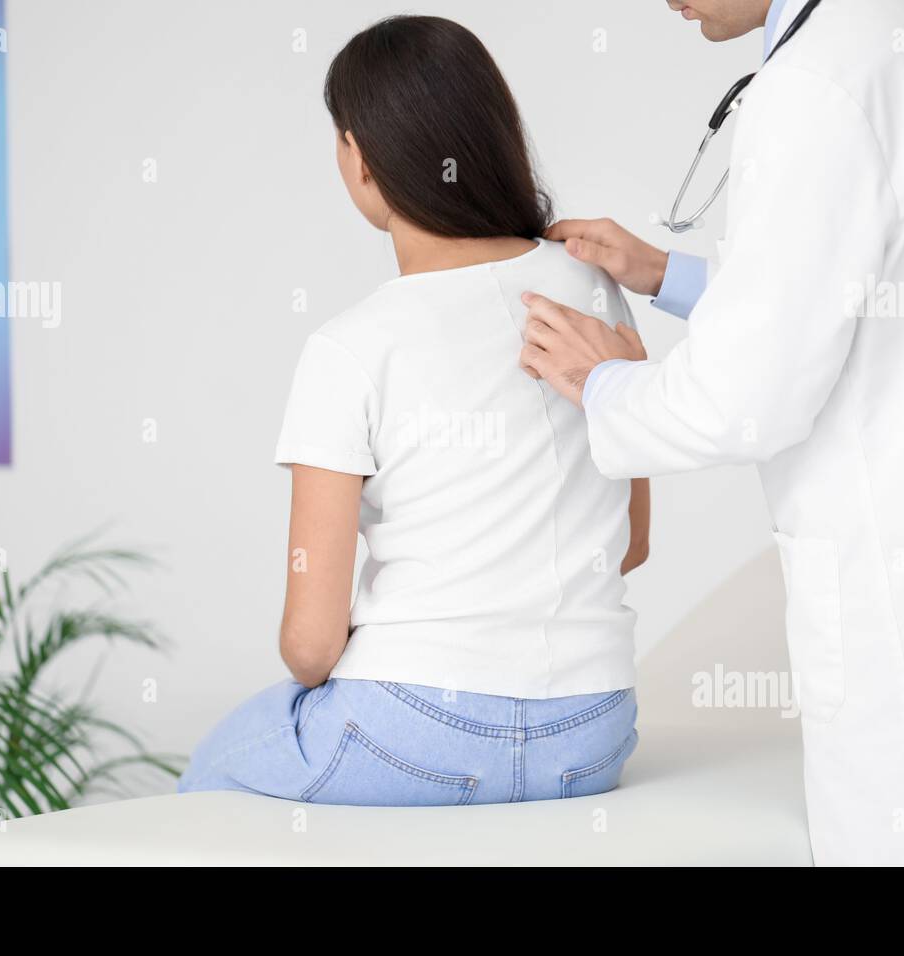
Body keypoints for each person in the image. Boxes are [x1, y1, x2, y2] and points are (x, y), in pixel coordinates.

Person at [519, 0, 904, 865]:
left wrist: (599, 383)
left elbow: (745, 398)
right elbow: (876, 300)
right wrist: (665, 275)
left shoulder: (815, 83)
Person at [180, 16, 648, 806]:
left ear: (358, 158)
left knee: (213, 770)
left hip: (414, 728)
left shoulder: (350, 348)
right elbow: (630, 544)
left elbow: (310, 643)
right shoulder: (594, 293)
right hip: (593, 729)